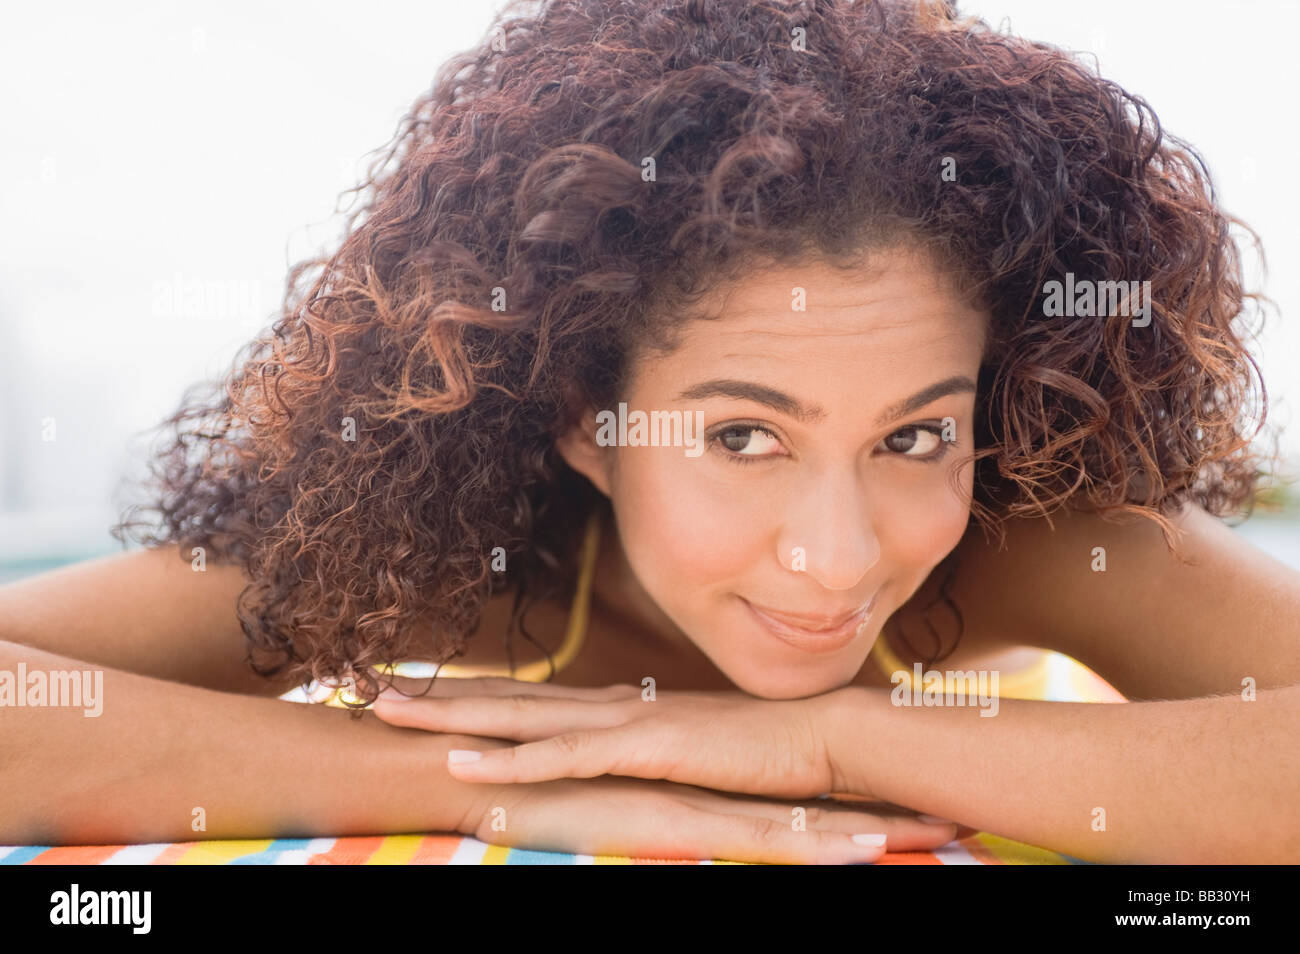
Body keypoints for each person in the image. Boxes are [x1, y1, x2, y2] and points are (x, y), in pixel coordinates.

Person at [2, 0, 1296, 864]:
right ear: (580, 416)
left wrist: (824, 739)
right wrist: (480, 779)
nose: (838, 559)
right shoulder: (460, 568)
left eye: (914, 438)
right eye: (742, 436)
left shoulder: (1025, 540)